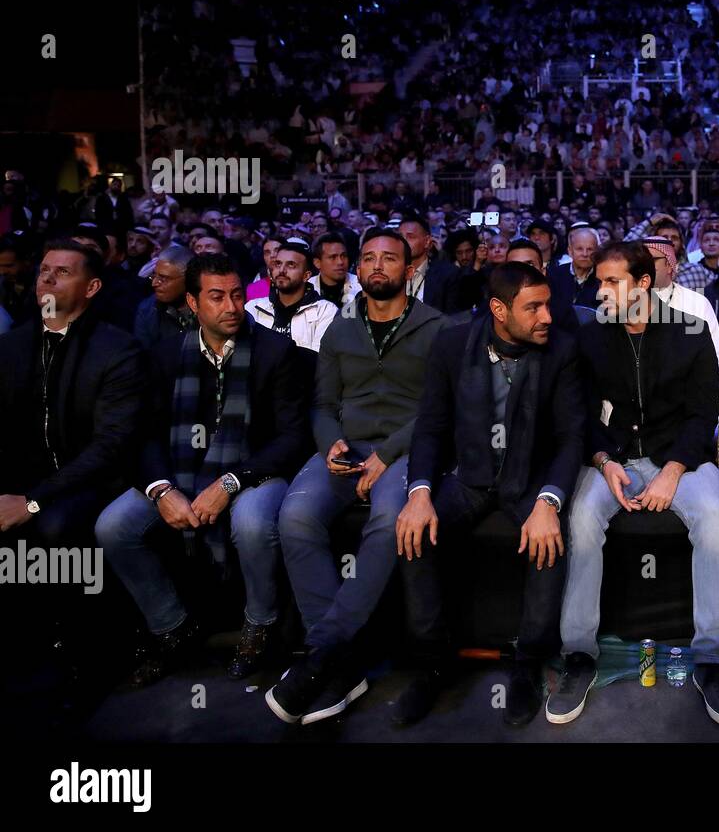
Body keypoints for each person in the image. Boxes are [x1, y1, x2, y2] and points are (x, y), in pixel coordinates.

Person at [269, 229, 466, 725]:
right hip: (345, 448)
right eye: (369, 259)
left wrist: (390, 453)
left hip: (407, 448)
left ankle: (323, 654)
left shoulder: (438, 327)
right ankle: (337, 664)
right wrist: (329, 441)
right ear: (358, 269)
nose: (378, 266)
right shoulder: (340, 330)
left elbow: (440, 409)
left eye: (390, 259)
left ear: (409, 269)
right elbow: (322, 404)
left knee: (388, 520)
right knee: (294, 515)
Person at [546, 242, 719, 728]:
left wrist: (674, 470)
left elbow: (703, 414)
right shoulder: (590, 337)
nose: (601, 291)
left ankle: (712, 661)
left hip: (680, 458)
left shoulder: (691, 332)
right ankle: (578, 657)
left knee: (717, 521)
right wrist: (604, 461)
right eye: (599, 282)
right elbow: (582, 414)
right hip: (612, 458)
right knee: (582, 519)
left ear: (642, 283)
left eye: (612, 282)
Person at [97, 253, 311, 685]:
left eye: (236, 295)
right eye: (217, 297)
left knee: (251, 522)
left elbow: (292, 438)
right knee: (113, 526)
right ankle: (173, 629)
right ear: (193, 303)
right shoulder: (163, 355)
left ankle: (261, 625)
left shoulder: (276, 352)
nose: (232, 307)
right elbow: (143, 435)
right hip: (180, 470)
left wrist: (231, 482)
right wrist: (161, 490)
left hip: (255, 470)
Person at [394, 263, 583, 727]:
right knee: (414, 535)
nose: (546, 317)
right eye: (533, 307)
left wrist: (549, 502)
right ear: (499, 310)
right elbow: (431, 427)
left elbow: (571, 437)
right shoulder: (453, 344)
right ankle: (434, 662)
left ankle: (527, 665)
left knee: (550, 544)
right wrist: (419, 493)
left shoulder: (561, 350)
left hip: (529, 478)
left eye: (548, 304)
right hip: (469, 477)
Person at [0, 241, 147, 671]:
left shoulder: (117, 350)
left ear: (92, 286)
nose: (47, 278)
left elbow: (110, 447)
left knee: (55, 526)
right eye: (45, 269)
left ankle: (76, 647)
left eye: (63, 272)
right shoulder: (11, 347)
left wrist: (31, 501)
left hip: (94, 481)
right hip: (27, 478)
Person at [644, 236, 719, 376]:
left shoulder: (696, 302)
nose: (643, 265)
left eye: (651, 260)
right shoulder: (628, 302)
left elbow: (715, 355)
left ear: (670, 265)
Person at [244, 238, 337, 352]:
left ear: (306, 275)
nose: (282, 270)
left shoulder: (325, 311)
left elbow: (319, 360)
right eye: (278, 264)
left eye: (291, 265)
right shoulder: (253, 308)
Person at [133, 245, 195, 349]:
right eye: (153, 276)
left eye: (164, 278)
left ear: (189, 279)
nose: (154, 283)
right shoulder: (147, 309)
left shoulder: (209, 308)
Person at [548, 223, 600, 312]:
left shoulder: (602, 278)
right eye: (579, 249)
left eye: (590, 249)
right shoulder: (554, 275)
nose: (585, 254)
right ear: (570, 251)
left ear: (597, 252)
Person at [309, 232, 362, 309]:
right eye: (333, 257)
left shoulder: (361, 286)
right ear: (317, 262)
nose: (340, 262)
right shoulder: (307, 289)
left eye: (343, 256)